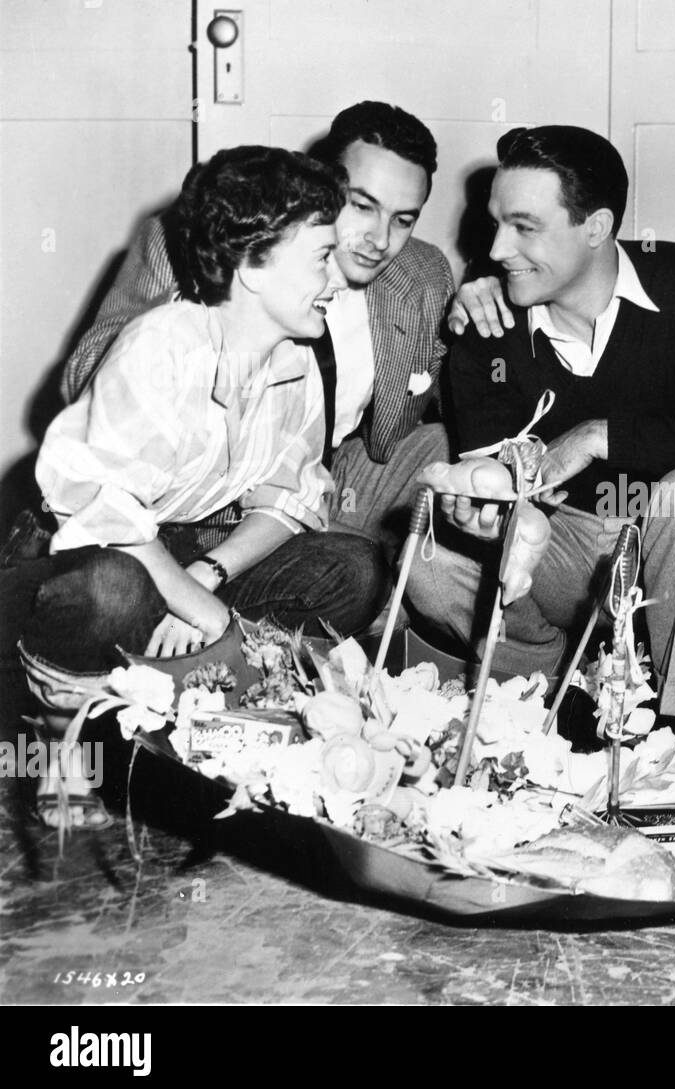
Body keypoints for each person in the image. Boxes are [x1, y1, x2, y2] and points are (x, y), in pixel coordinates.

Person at [13, 146, 388, 827]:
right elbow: (107, 515)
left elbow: (288, 499)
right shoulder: (160, 349)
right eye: (320, 257)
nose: (337, 279)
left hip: (178, 547)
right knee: (115, 589)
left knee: (355, 569)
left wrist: (209, 578)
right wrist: (209, 617)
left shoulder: (296, 360)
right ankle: (56, 736)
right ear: (251, 265)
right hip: (68, 555)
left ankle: (213, 707)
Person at [408, 125, 675, 730]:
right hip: (551, 551)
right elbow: (491, 466)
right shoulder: (486, 316)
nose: (498, 249)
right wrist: (478, 500)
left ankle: (672, 722)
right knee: (426, 557)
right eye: (497, 223)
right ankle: (546, 688)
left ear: (597, 227)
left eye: (525, 227)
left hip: (661, 541)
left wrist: (598, 435)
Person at [60, 101, 456, 549]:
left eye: (404, 219)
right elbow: (83, 375)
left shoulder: (422, 274)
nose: (381, 240)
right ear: (322, 187)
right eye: (362, 207)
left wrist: (492, 318)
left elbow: (452, 404)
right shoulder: (210, 238)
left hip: (318, 481)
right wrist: (211, 306)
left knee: (433, 458)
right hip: (184, 498)